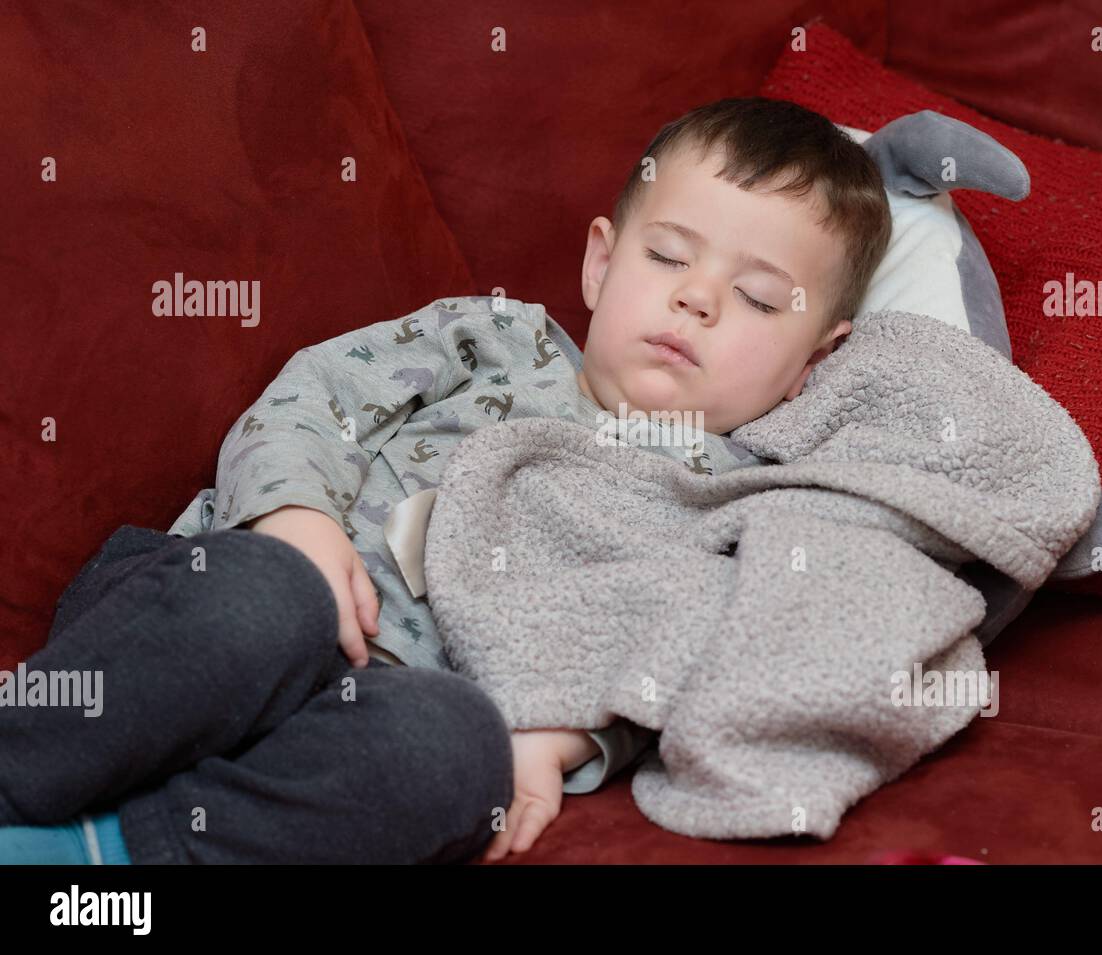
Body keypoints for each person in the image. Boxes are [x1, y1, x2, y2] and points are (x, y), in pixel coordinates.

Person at [0, 96, 891, 864]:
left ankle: (92, 865)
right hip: (205, 624)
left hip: (371, 714)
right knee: (269, 599)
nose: (696, 297)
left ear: (814, 361)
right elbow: (317, 394)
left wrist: (566, 733)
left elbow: (679, 641)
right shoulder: (496, 340)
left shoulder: (728, 499)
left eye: (761, 299)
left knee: (455, 752)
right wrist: (293, 515)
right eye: (668, 257)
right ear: (600, 262)